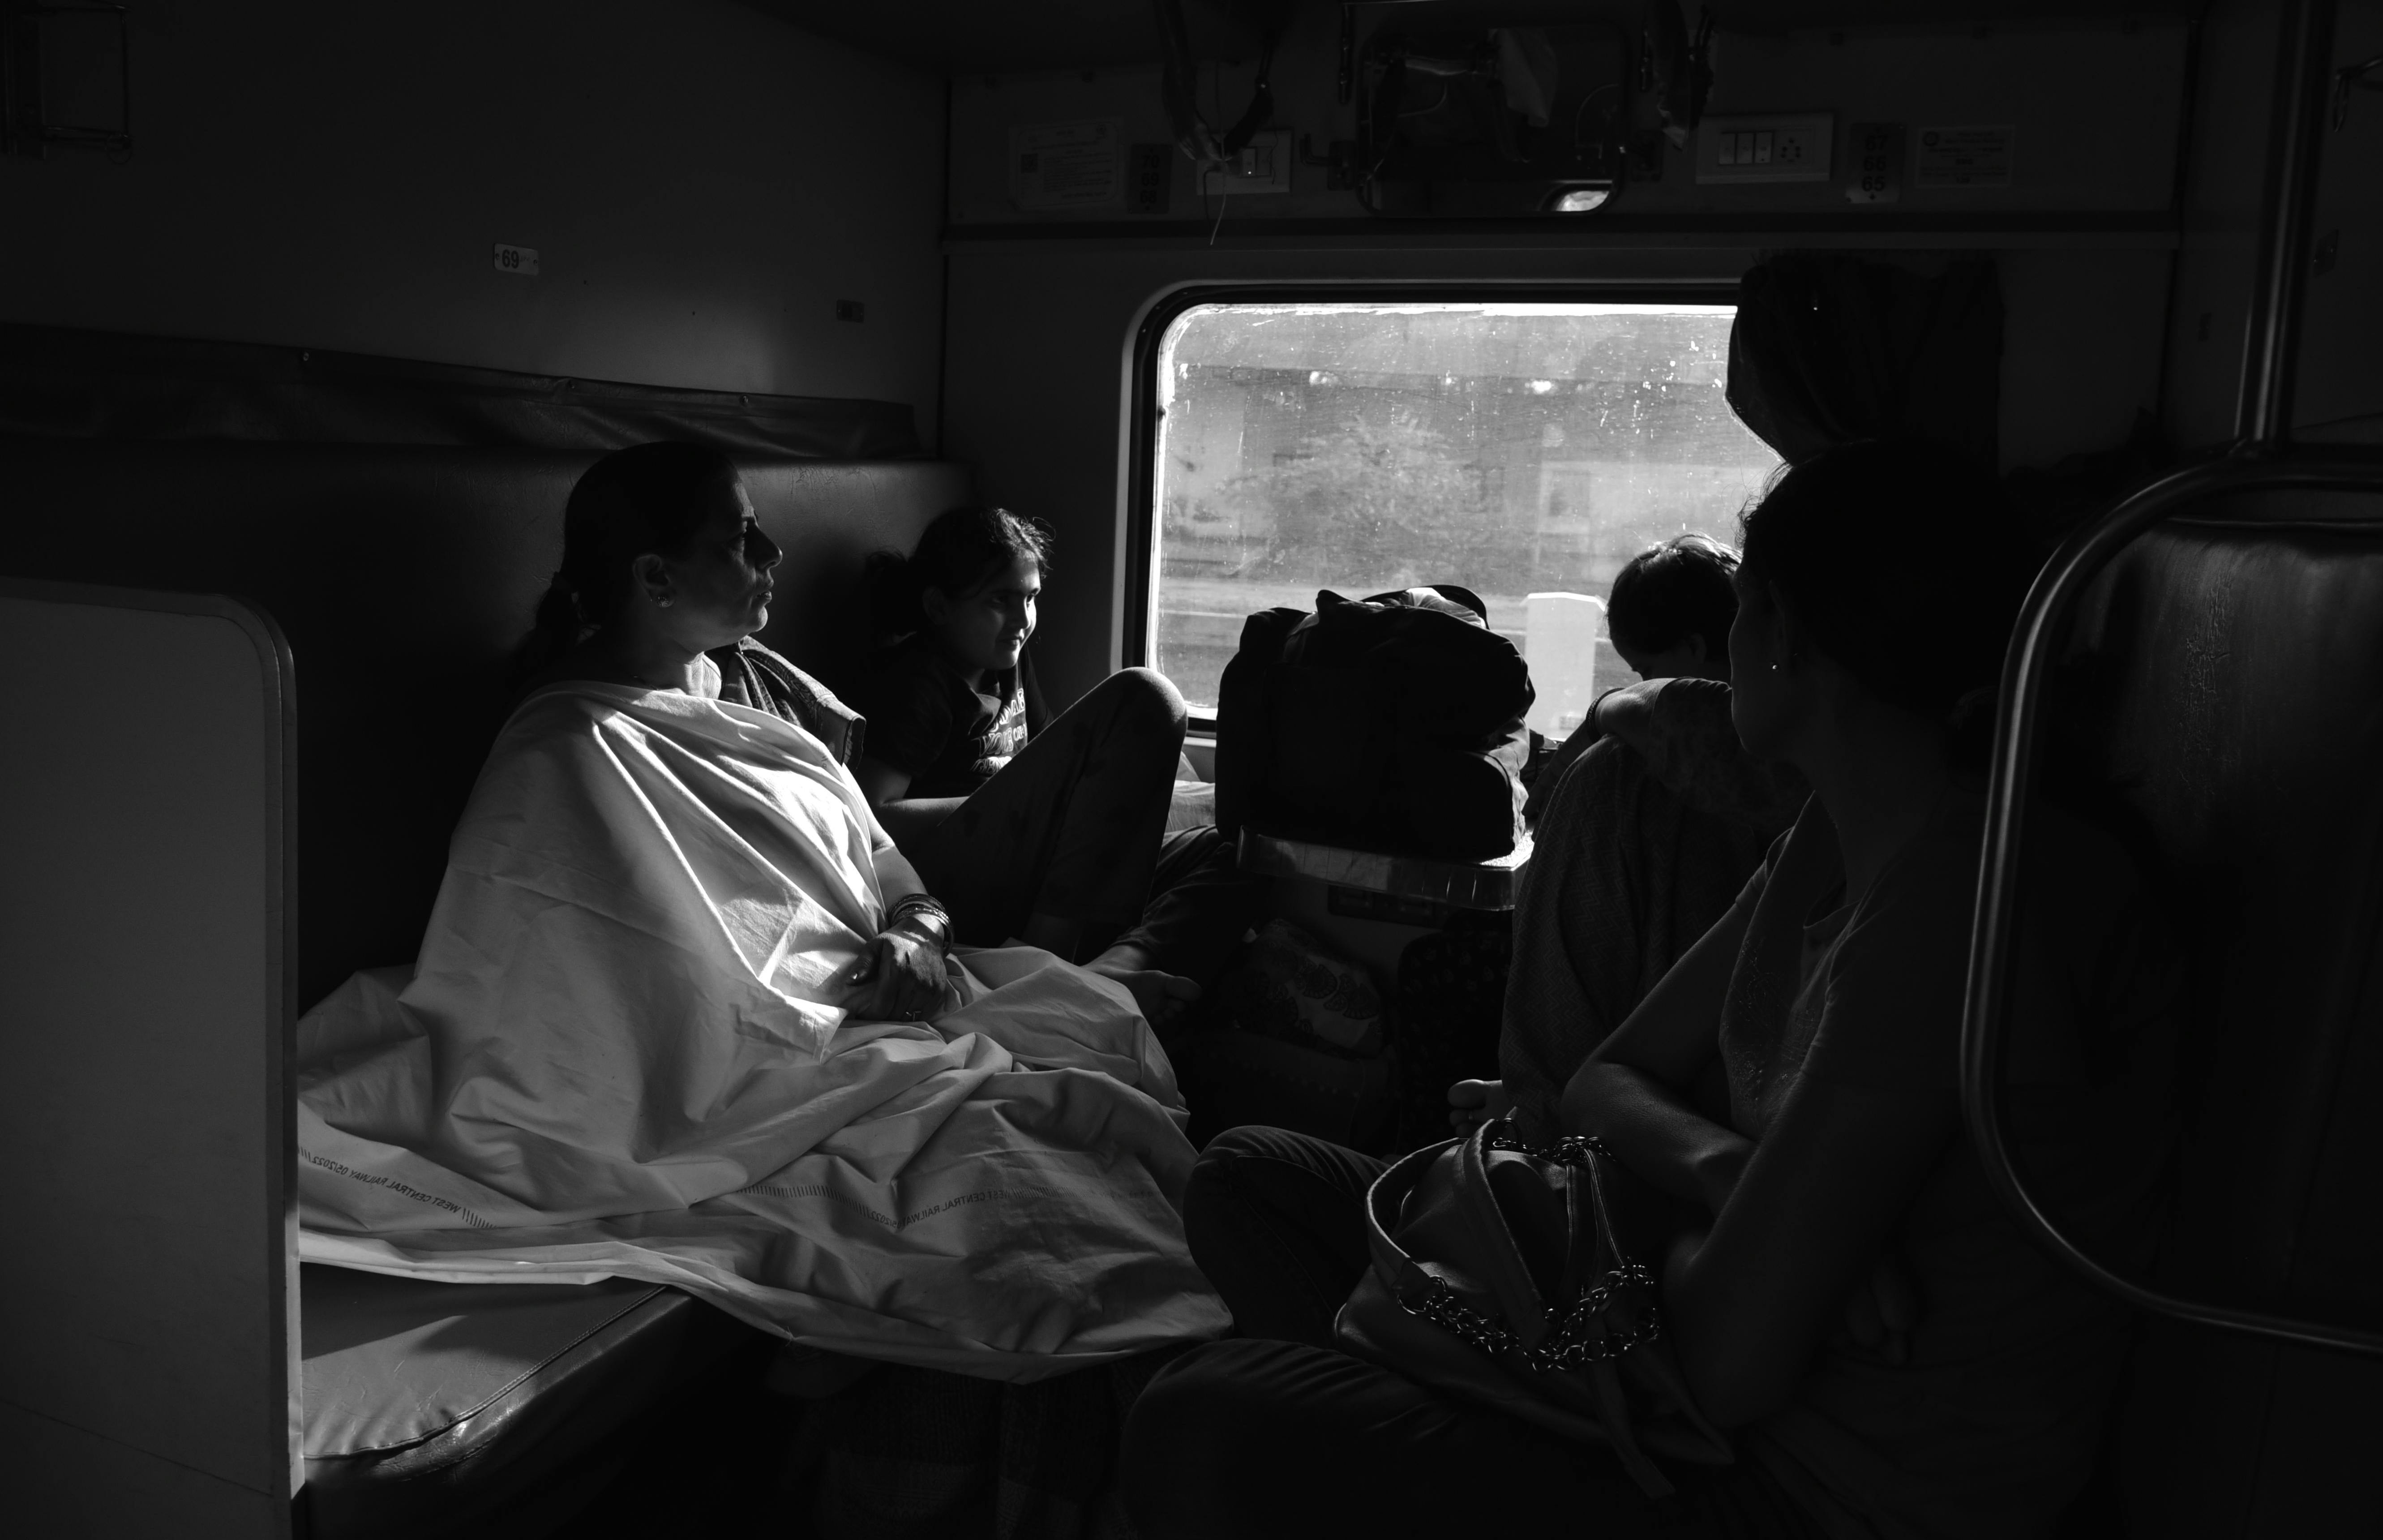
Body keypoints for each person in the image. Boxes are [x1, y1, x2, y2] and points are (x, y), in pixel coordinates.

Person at [1119, 441, 2179, 1538]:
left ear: (1787, 641)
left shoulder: (1962, 900)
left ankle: (1444, 1428)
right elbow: (1602, 1077)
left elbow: (1727, 1366)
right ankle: (1451, 1421)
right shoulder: (1837, 828)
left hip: (1812, 1482)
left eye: (1742, 620)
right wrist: (1734, 1178)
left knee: (1200, 1418)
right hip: (1682, 1359)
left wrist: (1714, 1215)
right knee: (1248, 1176)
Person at [294, 442, 1227, 1383]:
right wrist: (840, 1015)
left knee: (1099, 1095)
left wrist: (919, 925)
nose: (773, 552)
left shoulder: (731, 686)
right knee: (1043, 1201)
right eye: (742, 538)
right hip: (809, 1043)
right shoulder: (565, 753)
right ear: (656, 576)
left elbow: (873, 848)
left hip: (894, 983)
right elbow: (640, 985)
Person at [848, 507, 1264, 1025]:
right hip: (954, 880)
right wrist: (1026, 802)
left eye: (1031, 598)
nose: (1023, 619)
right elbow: (873, 819)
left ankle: (1116, 965)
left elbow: (1050, 760)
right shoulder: (921, 684)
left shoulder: (1008, 663)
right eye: (1001, 601)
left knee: (1246, 847)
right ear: (938, 606)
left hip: (1030, 866)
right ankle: (1047, 965)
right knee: (1147, 696)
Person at [1483, 532, 1807, 1141]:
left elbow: (1670, 712)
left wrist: (1537, 1103)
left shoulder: (1639, 773)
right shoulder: (1831, 798)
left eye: (1648, 670)